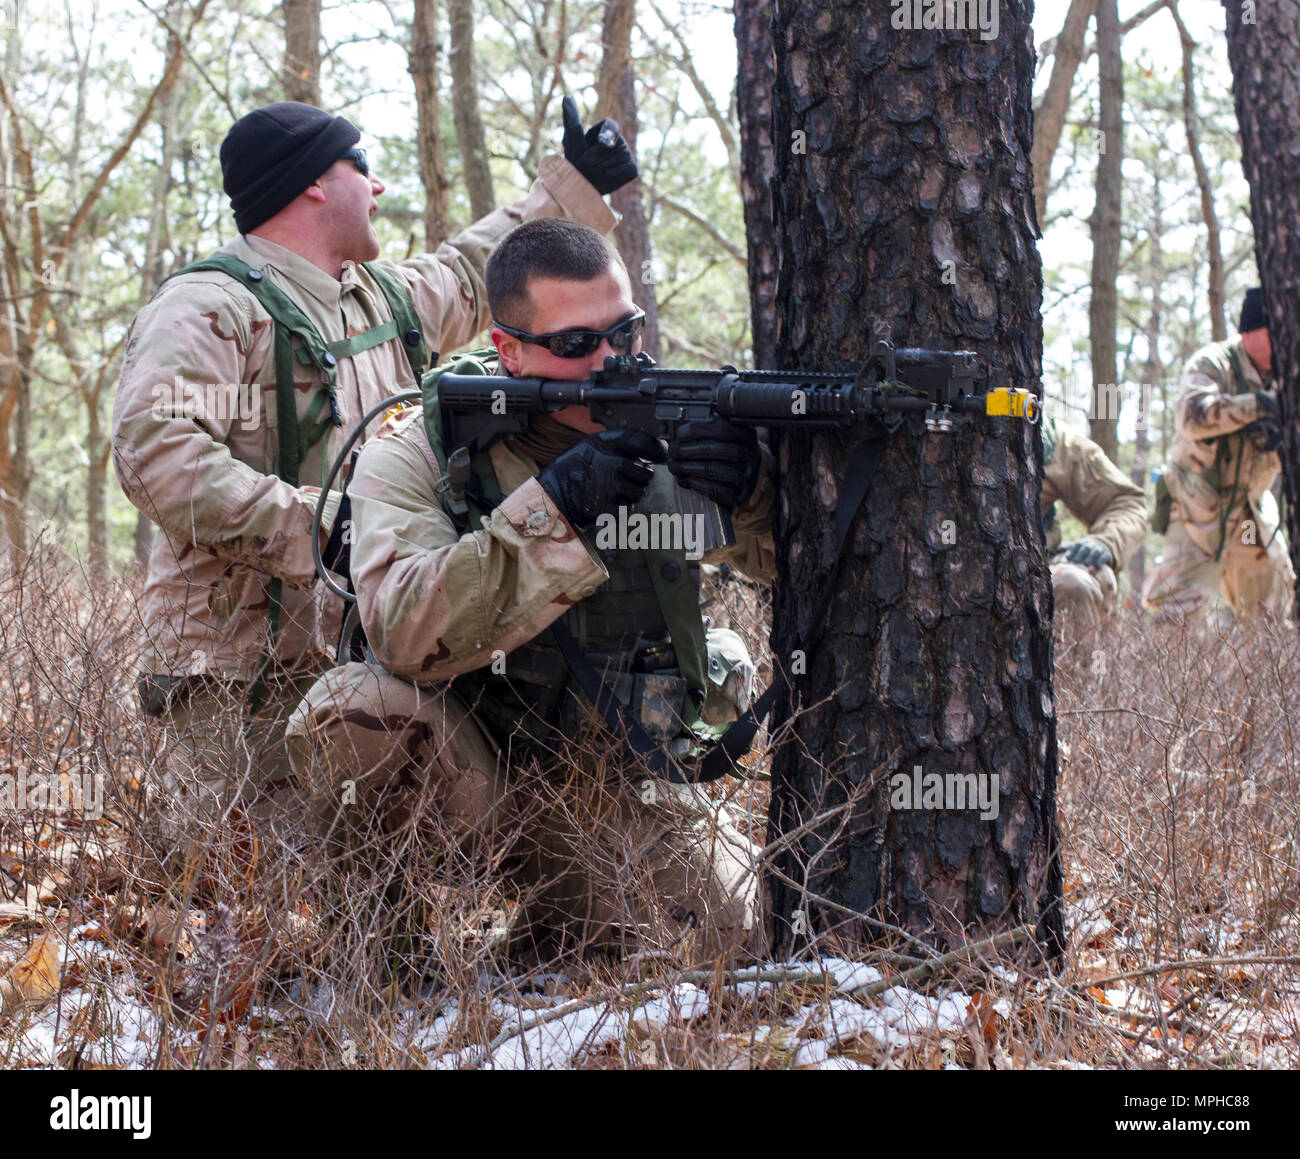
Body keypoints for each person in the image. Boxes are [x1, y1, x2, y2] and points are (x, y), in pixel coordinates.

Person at [112, 98, 637, 841]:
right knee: (269, 890)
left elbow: (470, 268)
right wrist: (325, 530)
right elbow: (155, 453)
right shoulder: (211, 306)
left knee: (453, 830)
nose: (379, 185)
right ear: (313, 185)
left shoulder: (377, 300)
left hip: (369, 663)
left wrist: (573, 187)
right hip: (240, 686)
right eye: (361, 164)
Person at [286, 219, 773, 964]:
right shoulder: (417, 447)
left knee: (732, 939)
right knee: (349, 713)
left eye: (625, 332)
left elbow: (785, 570)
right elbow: (403, 627)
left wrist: (753, 495)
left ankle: (555, 927)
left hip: (613, 793)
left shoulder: (669, 427)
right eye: (577, 345)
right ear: (509, 349)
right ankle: (384, 959)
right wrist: (557, 508)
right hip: (470, 782)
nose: (612, 361)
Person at [1141, 287, 1295, 621]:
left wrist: (1279, 441)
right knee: (1173, 619)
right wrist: (1256, 406)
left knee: (1269, 618)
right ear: (1249, 331)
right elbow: (1191, 417)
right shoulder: (1214, 363)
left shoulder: (1289, 374)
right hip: (1195, 509)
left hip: (1249, 515)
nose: (1284, 339)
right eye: (1274, 332)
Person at [1039, 418, 1147, 625]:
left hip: (1025, 571)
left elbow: (1126, 503)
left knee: (1075, 584)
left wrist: (1106, 542)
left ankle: (1075, 658)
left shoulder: (1048, 439)